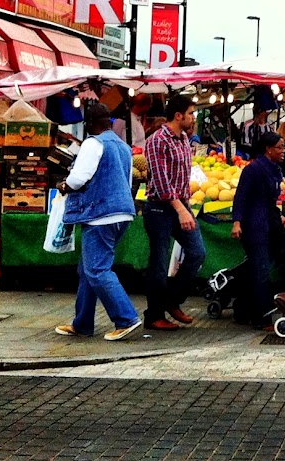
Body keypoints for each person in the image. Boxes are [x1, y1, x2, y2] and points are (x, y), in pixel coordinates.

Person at [53, 102, 143, 342]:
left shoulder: (93, 143)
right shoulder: (124, 147)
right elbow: (125, 180)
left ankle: (126, 318)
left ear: (90, 124)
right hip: (123, 213)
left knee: (97, 270)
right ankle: (82, 323)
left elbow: (78, 178)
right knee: (87, 269)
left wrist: (64, 185)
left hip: (100, 214)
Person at [141, 94, 207, 330]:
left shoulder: (183, 139)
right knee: (159, 263)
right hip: (159, 208)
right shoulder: (158, 140)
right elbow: (160, 181)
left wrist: (185, 207)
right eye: (191, 113)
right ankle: (154, 315)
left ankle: (172, 300)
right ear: (178, 116)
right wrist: (180, 209)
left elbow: (181, 178)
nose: (193, 117)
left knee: (197, 253)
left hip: (181, 205)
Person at [231, 131, 285, 327]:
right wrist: (237, 222)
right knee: (261, 272)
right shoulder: (253, 170)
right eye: (279, 147)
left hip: (270, 225)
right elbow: (241, 197)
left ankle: (242, 311)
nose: (283, 151)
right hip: (254, 227)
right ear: (268, 149)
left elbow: (269, 201)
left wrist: (279, 216)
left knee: (256, 270)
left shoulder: (275, 170)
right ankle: (262, 318)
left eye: (284, 147)